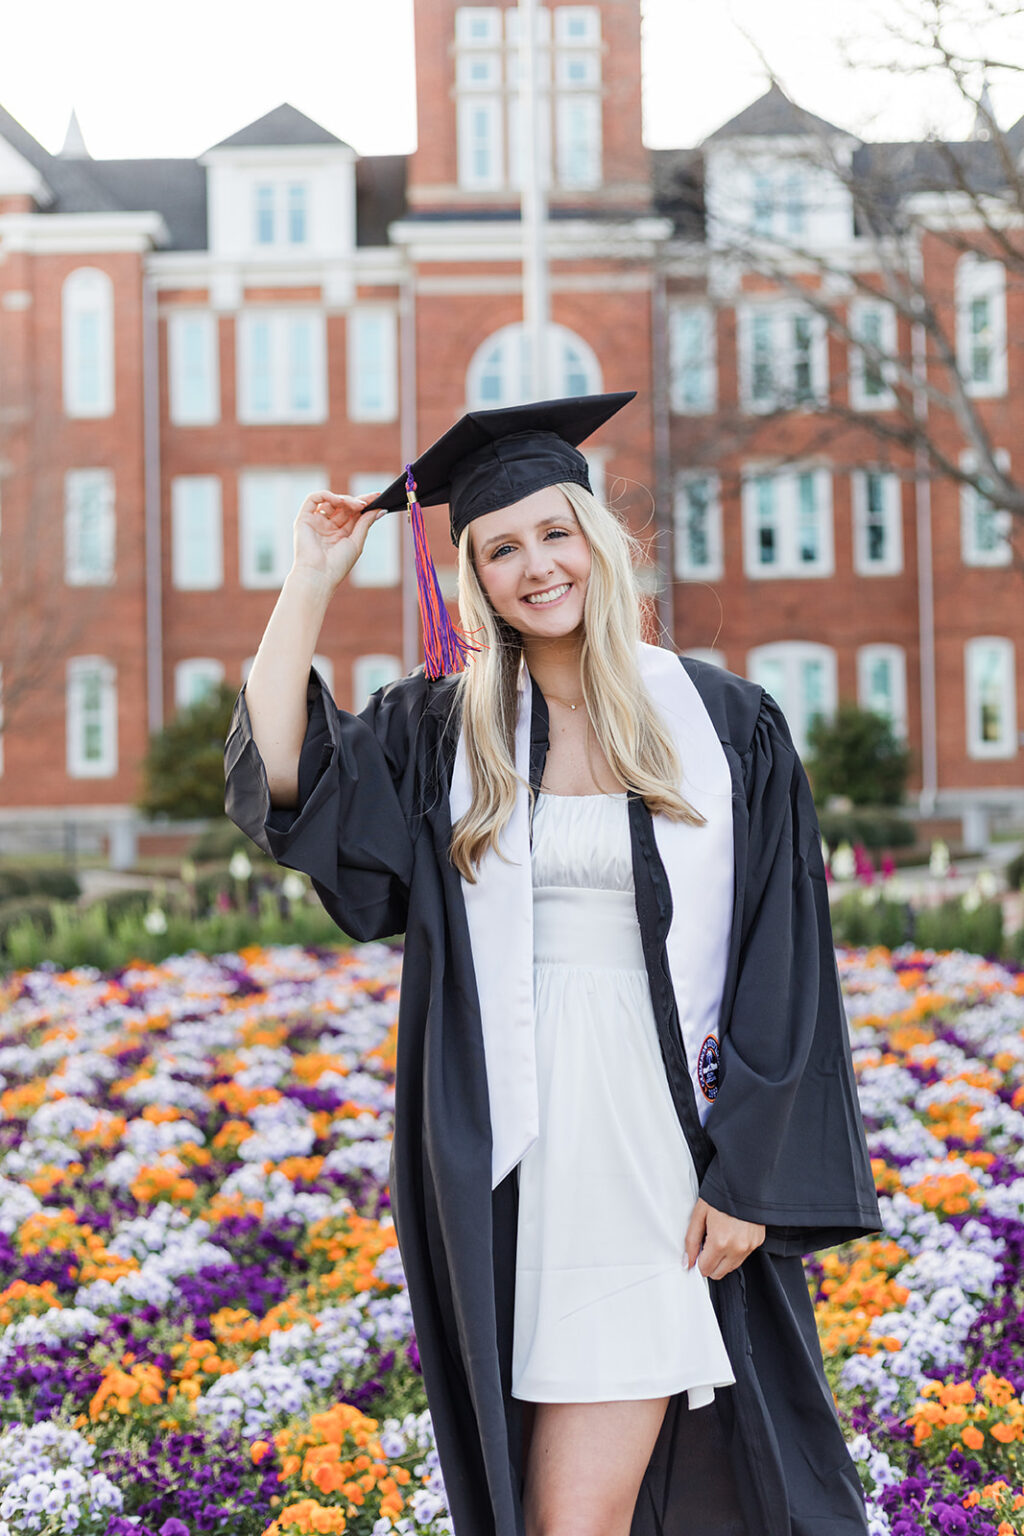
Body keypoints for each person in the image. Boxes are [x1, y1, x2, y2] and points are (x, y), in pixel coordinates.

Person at [225, 392, 882, 1536]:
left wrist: (752, 1176)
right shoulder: (448, 729)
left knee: (571, 1515)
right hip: (507, 1148)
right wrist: (312, 579)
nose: (536, 567)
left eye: (553, 533)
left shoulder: (723, 722)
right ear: (475, 578)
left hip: (655, 1140)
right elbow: (287, 785)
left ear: (596, 539)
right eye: (500, 549)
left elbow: (784, 959)